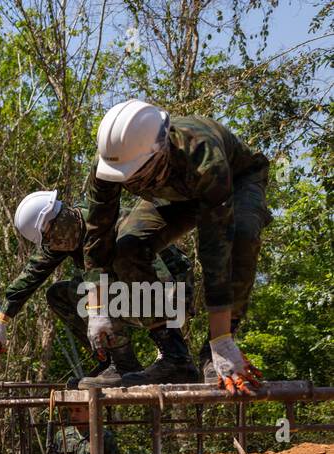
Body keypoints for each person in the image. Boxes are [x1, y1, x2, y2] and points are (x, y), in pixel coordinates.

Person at [84, 100, 270, 393]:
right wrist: (96, 307)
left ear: (159, 152)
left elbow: (215, 250)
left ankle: (217, 349)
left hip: (235, 181)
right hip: (175, 195)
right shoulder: (111, 164)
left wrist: (221, 340)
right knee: (127, 248)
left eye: (136, 177)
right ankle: (173, 356)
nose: (129, 183)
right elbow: (97, 233)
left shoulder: (204, 157)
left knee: (242, 236)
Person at [0, 190, 194, 387]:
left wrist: (165, 331)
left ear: (60, 218)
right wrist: (2, 320)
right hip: (137, 297)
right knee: (59, 294)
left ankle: (172, 357)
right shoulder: (64, 234)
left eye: (51, 237)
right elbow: (33, 273)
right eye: (47, 242)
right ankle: (116, 360)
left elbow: (156, 272)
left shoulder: (108, 224)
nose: (53, 245)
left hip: (170, 292)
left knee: (85, 286)